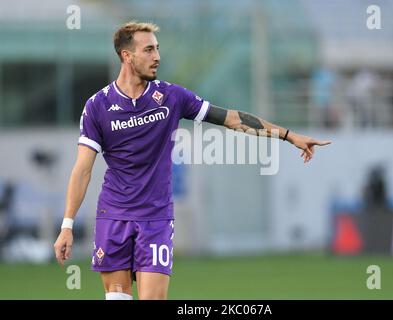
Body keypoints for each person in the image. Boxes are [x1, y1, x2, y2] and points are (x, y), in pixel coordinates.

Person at [53, 21, 331, 300]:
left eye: (157, 49)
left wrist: (287, 135)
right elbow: (82, 169)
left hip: (155, 218)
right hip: (113, 216)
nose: (157, 57)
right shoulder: (97, 106)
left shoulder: (172, 96)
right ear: (127, 56)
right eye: (148, 50)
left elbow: (232, 119)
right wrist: (67, 226)